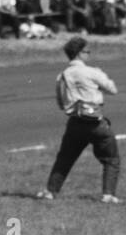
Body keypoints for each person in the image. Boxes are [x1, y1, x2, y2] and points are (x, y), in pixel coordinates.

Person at [37, 35, 121, 203]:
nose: (89, 54)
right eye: (87, 51)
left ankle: (50, 191)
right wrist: (100, 77)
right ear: (79, 53)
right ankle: (108, 194)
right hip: (96, 122)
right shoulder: (91, 72)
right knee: (111, 159)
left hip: (74, 123)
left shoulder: (62, 76)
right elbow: (112, 89)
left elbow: (61, 104)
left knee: (65, 159)